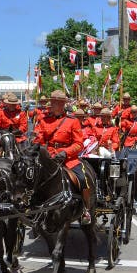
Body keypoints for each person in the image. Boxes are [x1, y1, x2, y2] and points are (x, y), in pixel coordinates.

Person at [33, 90, 92, 224]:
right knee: (32, 175)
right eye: (51, 102)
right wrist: (39, 147)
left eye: (54, 102)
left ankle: (85, 210)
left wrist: (65, 152)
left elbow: (78, 144)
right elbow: (40, 140)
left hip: (68, 160)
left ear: (61, 104)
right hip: (48, 158)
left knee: (82, 179)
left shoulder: (73, 121)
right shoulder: (44, 121)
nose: (51, 104)